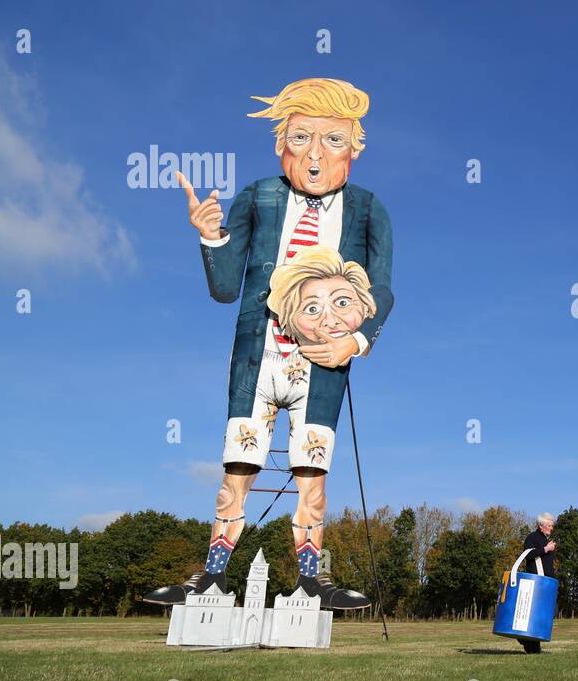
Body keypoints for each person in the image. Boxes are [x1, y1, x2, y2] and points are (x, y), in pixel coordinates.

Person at [144, 78, 394, 611]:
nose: (314, 155)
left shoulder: (368, 210)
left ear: (354, 149)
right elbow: (225, 289)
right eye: (301, 137)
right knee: (238, 466)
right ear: (281, 143)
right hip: (258, 356)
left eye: (332, 141)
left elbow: (383, 290)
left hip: (321, 364)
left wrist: (354, 342)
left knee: (311, 472)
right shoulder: (258, 196)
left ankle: (310, 578)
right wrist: (211, 236)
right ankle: (212, 576)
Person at [517, 513, 557, 653]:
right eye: (549, 526)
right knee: (534, 614)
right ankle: (529, 643)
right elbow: (527, 555)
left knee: (545, 613)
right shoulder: (532, 537)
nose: (552, 528)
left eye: (552, 526)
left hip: (547, 581)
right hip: (536, 581)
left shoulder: (546, 539)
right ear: (541, 526)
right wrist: (546, 549)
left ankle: (533, 645)